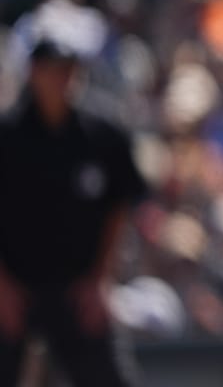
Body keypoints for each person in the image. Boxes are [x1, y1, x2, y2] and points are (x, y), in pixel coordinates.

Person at [0, 34, 147, 386]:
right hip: (14, 291)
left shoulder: (103, 134)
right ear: (33, 73)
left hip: (78, 291)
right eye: (52, 71)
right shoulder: (6, 136)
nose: (62, 80)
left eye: (69, 71)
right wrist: (0, 284)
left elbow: (120, 202)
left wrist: (101, 278)